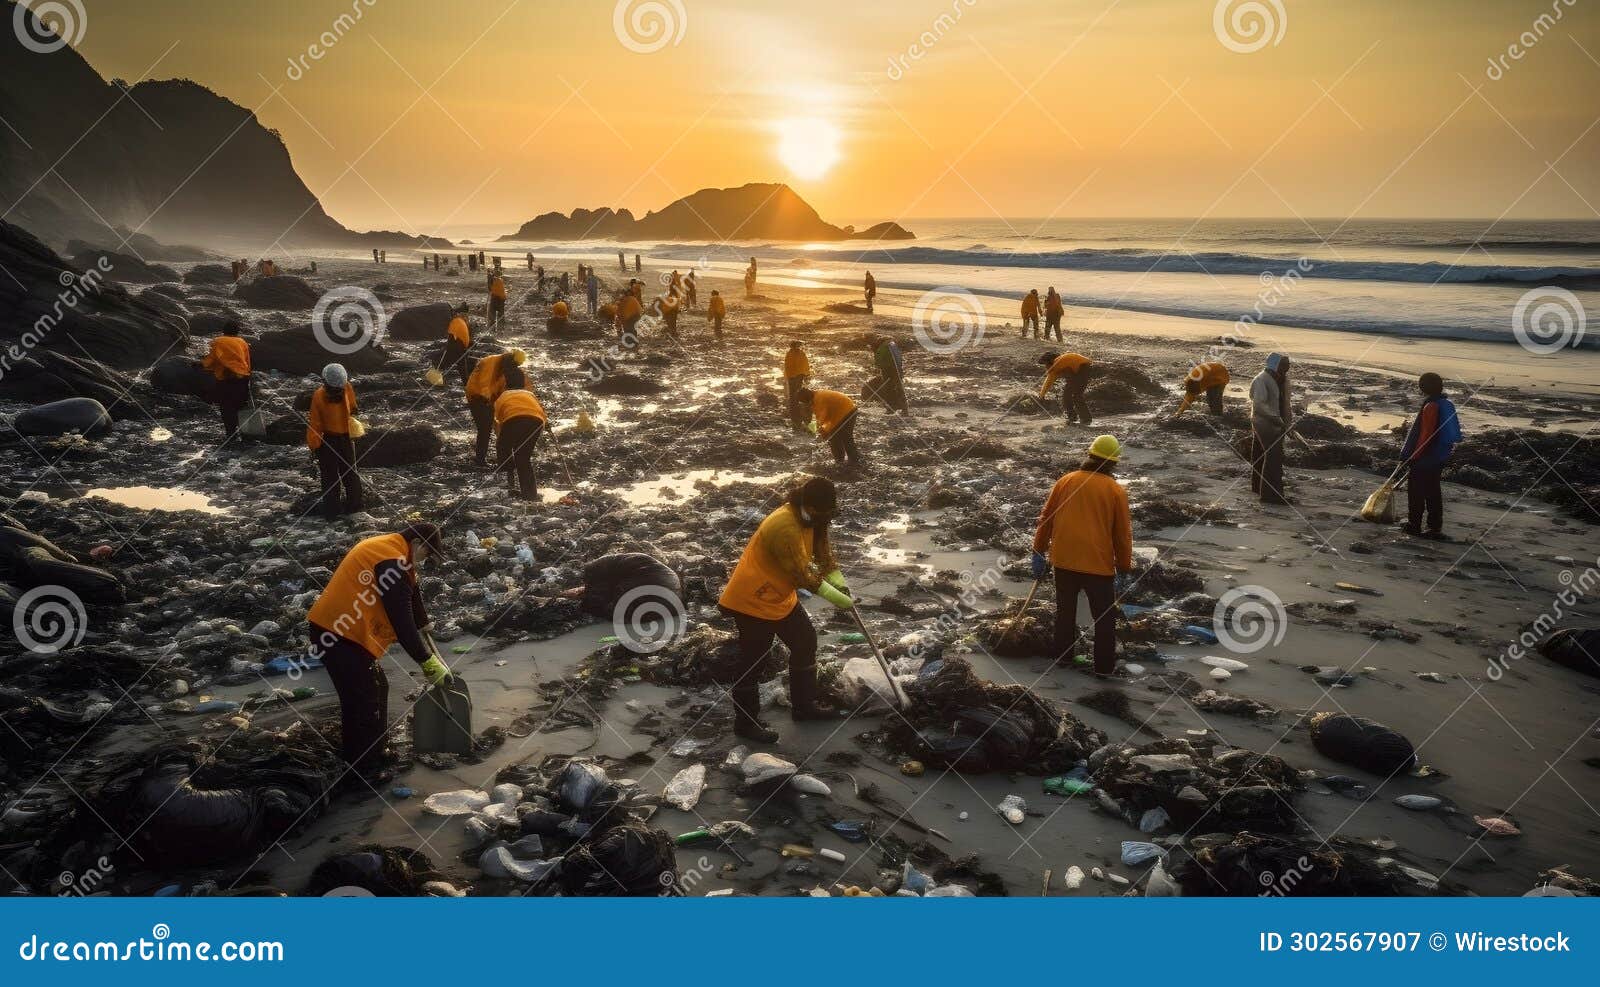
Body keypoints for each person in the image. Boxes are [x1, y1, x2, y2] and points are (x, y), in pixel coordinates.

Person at [307, 522, 449, 776]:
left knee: (377, 688)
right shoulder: (392, 564)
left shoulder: (391, 547)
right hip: (336, 635)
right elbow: (402, 623)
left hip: (343, 632)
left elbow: (412, 591)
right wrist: (426, 661)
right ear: (416, 544)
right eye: (427, 554)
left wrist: (424, 622)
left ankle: (374, 753)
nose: (425, 561)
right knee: (361, 700)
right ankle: (361, 769)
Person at [717, 478, 851, 740]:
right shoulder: (783, 525)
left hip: (779, 596)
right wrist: (837, 599)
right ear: (810, 506)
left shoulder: (815, 517)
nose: (826, 518)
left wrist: (837, 579)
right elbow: (803, 575)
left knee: (805, 642)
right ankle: (745, 724)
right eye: (823, 513)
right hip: (751, 599)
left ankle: (804, 706)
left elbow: (822, 551)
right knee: (754, 661)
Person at [1031, 434, 1133, 674]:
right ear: (1113, 462)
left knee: (1065, 612)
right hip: (1098, 565)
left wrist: (1038, 550)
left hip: (1064, 560)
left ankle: (1063, 658)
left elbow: (1046, 518)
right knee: (1104, 619)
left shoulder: (1066, 480)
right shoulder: (1115, 491)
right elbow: (1122, 535)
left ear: (1089, 454)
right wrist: (1125, 567)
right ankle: (1104, 668)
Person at [1399, 372, 1462, 539]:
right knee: (1433, 490)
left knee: (1416, 491)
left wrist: (1413, 456)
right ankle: (1434, 527)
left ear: (1423, 388)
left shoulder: (1431, 406)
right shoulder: (1444, 403)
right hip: (1440, 455)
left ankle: (1414, 525)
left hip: (1425, 456)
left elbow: (1426, 435)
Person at [307, 363, 364, 519]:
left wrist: (313, 446)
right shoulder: (347, 388)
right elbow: (353, 408)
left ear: (325, 380)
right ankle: (355, 507)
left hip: (327, 440)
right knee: (350, 473)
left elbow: (315, 424)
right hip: (346, 439)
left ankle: (332, 512)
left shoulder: (319, 395)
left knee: (329, 477)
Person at [466, 349, 526, 467]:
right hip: (477, 397)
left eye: (515, 366)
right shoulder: (491, 362)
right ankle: (480, 460)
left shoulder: (504, 365)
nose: (512, 367)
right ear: (509, 357)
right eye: (512, 364)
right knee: (485, 428)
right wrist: (490, 402)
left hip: (488, 398)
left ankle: (502, 458)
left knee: (498, 427)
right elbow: (484, 384)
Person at [493, 376, 546, 502]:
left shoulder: (501, 397)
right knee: (523, 458)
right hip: (536, 421)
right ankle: (530, 495)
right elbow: (541, 411)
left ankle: (508, 484)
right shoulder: (529, 394)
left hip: (513, 420)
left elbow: (498, 423)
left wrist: (502, 442)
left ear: (506, 387)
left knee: (504, 451)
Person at [1248, 353, 1292, 505]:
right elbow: (1258, 405)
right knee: (1273, 457)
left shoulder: (1284, 380)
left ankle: (1257, 488)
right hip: (1264, 423)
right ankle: (1270, 496)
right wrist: (1276, 419)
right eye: (1284, 365)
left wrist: (1288, 423)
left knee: (1260, 454)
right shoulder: (1261, 379)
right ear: (1274, 364)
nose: (1287, 368)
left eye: (1288, 365)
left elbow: (1286, 404)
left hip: (1277, 423)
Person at [201, 324, 252, 440]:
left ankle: (230, 434)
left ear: (223, 331)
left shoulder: (219, 341)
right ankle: (247, 434)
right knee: (241, 405)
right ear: (237, 332)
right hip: (242, 378)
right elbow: (247, 360)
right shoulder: (242, 342)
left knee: (226, 407)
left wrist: (201, 365)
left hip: (226, 379)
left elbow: (212, 360)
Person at [799, 386, 862, 467]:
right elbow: (824, 420)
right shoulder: (816, 394)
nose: (807, 406)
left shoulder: (819, 399)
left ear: (808, 399)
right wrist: (821, 431)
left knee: (843, 437)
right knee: (835, 436)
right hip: (842, 411)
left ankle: (850, 461)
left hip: (847, 412)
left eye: (806, 403)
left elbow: (822, 419)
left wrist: (818, 431)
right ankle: (842, 460)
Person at [1038, 351, 1094, 425]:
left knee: (1071, 395)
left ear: (1051, 361)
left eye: (1046, 364)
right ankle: (1081, 418)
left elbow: (1051, 378)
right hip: (1083, 368)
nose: (1045, 367)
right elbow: (1049, 381)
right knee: (1074, 395)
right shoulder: (1058, 364)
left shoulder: (1058, 362)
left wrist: (1042, 395)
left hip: (1082, 368)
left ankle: (1078, 418)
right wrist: (1042, 394)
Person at [869, 335, 908, 414]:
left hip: (888, 371)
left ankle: (892, 408)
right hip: (897, 369)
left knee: (889, 389)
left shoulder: (881, 349)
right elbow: (898, 358)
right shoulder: (892, 345)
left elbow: (878, 363)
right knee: (898, 388)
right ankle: (904, 408)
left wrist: (878, 366)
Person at [442, 304, 473, 387]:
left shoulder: (454, 323)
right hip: (464, 346)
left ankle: (441, 377)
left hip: (459, 346)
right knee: (462, 367)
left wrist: (447, 348)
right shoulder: (461, 321)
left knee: (445, 362)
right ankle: (467, 383)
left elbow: (451, 338)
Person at [783, 341, 811, 430]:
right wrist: (806, 375)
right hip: (796, 377)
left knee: (794, 397)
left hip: (795, 377)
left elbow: (788, 367)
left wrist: (805, 375)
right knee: (795, 398)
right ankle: (797, 419)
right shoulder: (796, 354)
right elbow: (804, 365)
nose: (798, 347)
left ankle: (797, 419)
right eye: (797, 345)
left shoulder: (792, 354)